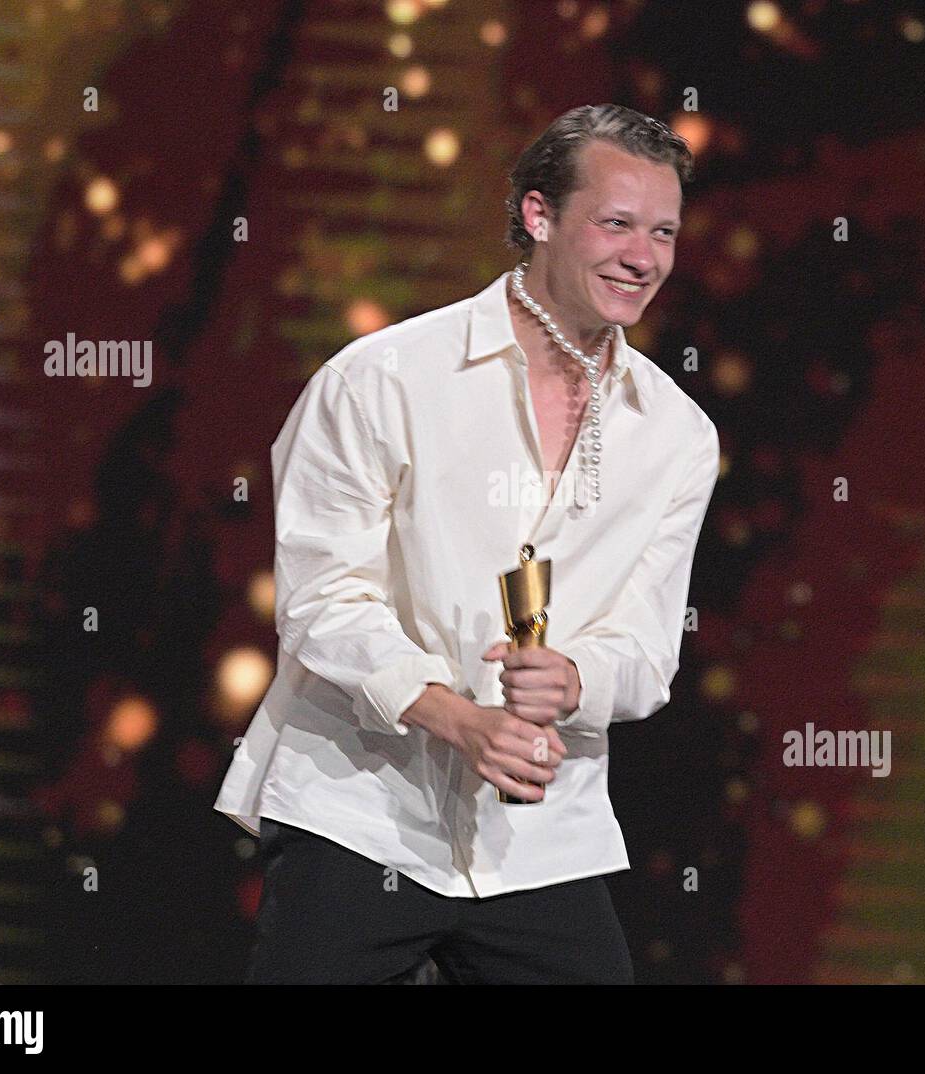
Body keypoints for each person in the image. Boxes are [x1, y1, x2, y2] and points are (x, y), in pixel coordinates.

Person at [215, 103, 720, 984]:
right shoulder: (384, 380)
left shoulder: (676, 436)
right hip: (362, 812)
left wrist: (577, 678)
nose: (643, 256)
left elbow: (646, 649)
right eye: (616, 223)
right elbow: (322, 600)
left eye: (664, 232)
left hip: (538, 838)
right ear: (538, 216)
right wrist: (459, 720)